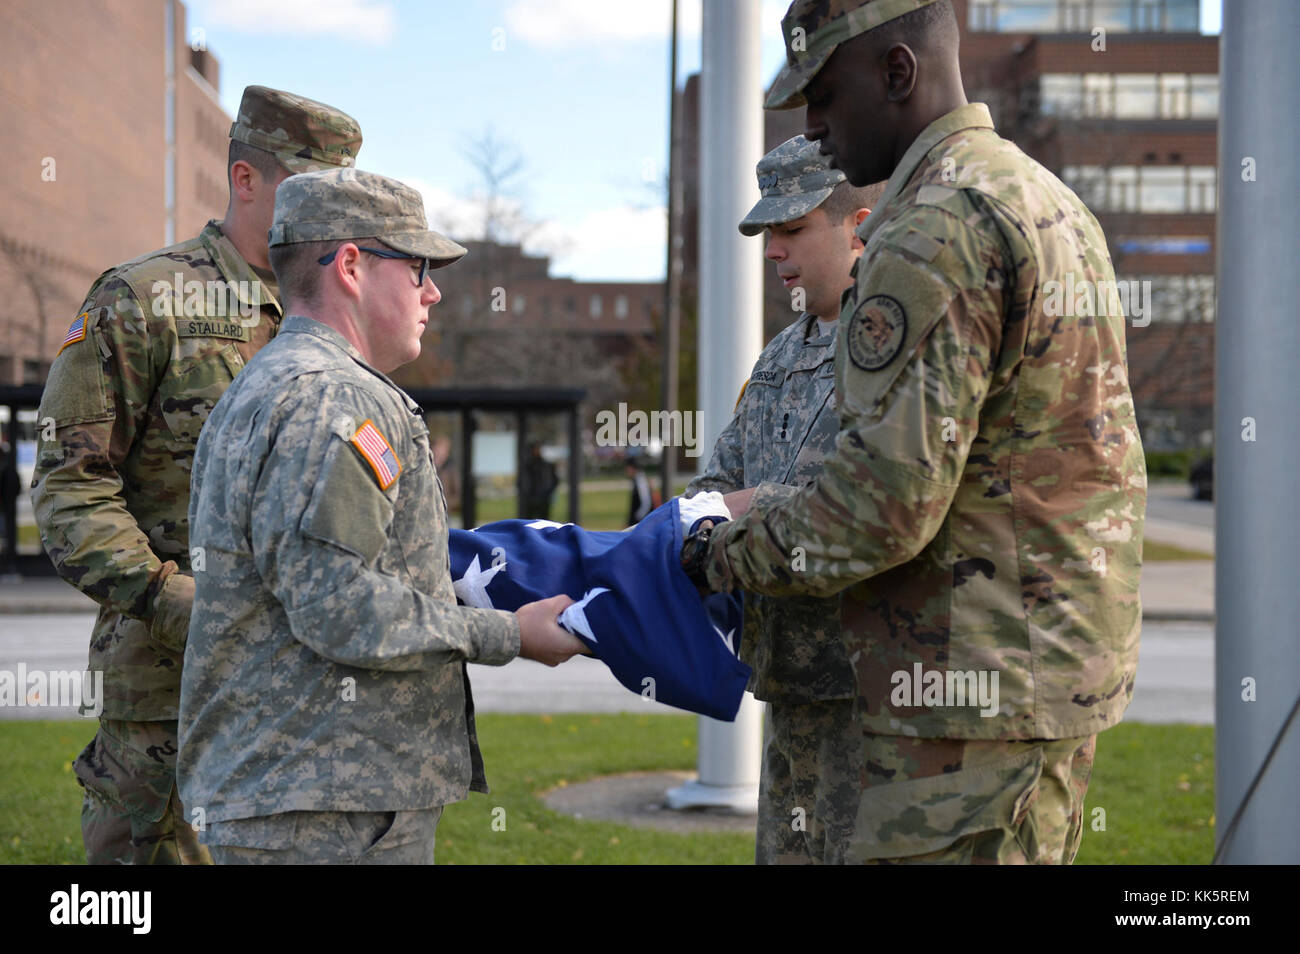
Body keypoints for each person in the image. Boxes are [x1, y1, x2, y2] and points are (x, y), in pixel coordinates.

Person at [681, 0, 1145, 864]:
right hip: (1024, 685)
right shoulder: (1045, 200)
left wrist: (710, 547)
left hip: (966, 708)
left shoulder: (935, 223)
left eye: (824, 93)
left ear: (899, 73)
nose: (813, 126)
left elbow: (880, 506)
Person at [177, 168, 586, 865]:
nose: (433, 291)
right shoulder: (336, 398)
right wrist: (507, 634)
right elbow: (333, 602)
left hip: (301, 793)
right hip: (326, 806)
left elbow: (325, 570)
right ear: (352, 266)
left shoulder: (273, 381)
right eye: (419, 267)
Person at [30, 85, 363, 865]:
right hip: (165, 691)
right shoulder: (145, 299)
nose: (327, 218)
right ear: (244, 179)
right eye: (304, 191)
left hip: (303, 688)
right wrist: (169, 597)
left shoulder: (337, 314)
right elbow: (70, 482)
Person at [687, 135, 880, 864]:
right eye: (769, 232)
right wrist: (697, 520)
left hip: (868, 692)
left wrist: (741, 508)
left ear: (856, 224)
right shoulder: (780, 351)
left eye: (793, 229)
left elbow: (862, 499)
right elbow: (716, 481)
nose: (774, 250)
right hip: (789, 681)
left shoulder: (888, 343)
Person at [520, 441, 558, 519]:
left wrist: (548, 492)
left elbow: (555, 480)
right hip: (531, 499)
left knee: (544, 521)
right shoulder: (528, 466)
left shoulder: (547, 466)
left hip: (544, 499)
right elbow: (522, 481)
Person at [626, 455, 654, 526]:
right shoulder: (637, 480)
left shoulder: (641, 481)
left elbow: (646, 503)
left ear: (632, 468)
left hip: (641, 524)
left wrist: (636, 521)